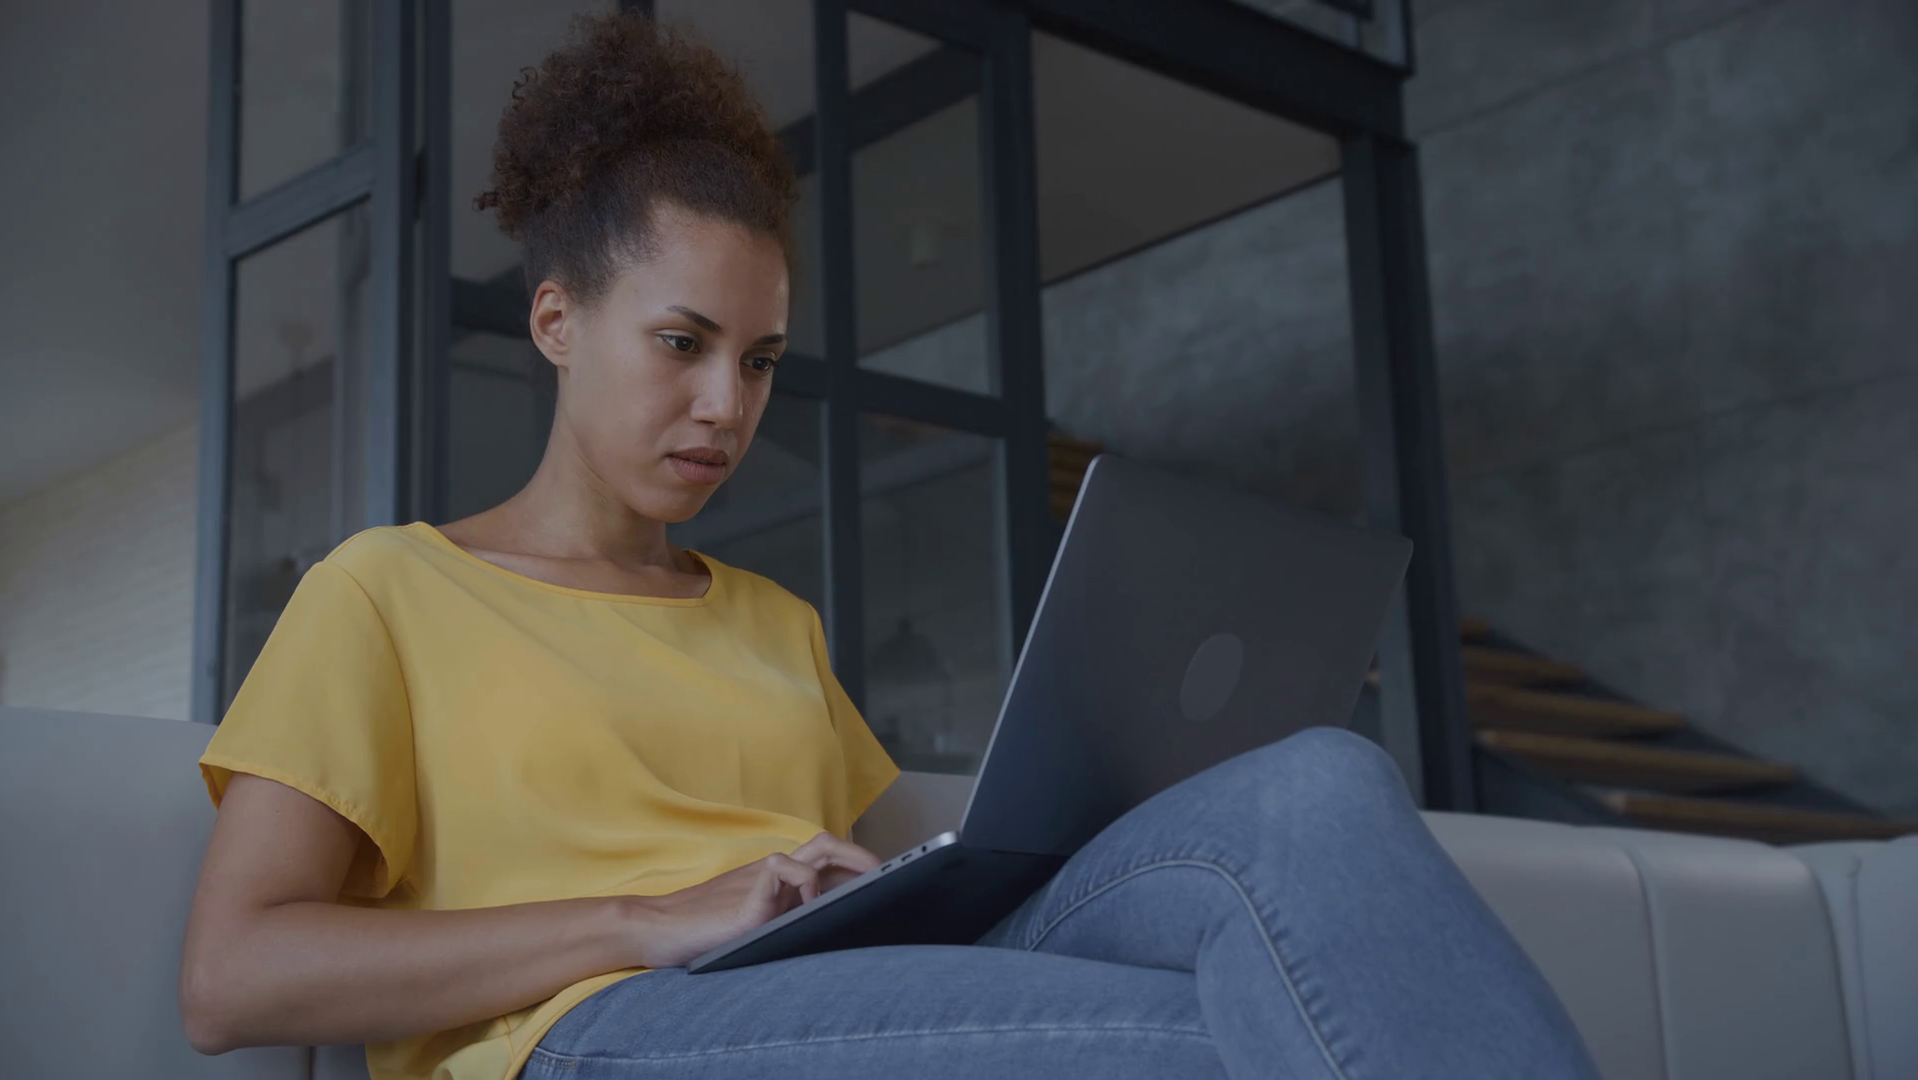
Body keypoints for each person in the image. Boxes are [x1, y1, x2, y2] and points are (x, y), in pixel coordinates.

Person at [180, 12, 1600, 1080]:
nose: (726, 405)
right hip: (597, 1035)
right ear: (557, 322)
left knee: (1316, 784)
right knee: (1225, 1035)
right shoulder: (389, 592)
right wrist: (646, 916)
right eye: (681, 345)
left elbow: (878, 931)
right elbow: (233, 975)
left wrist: (902, 876)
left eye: (759, 360)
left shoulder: (770, 623)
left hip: (817, 998)